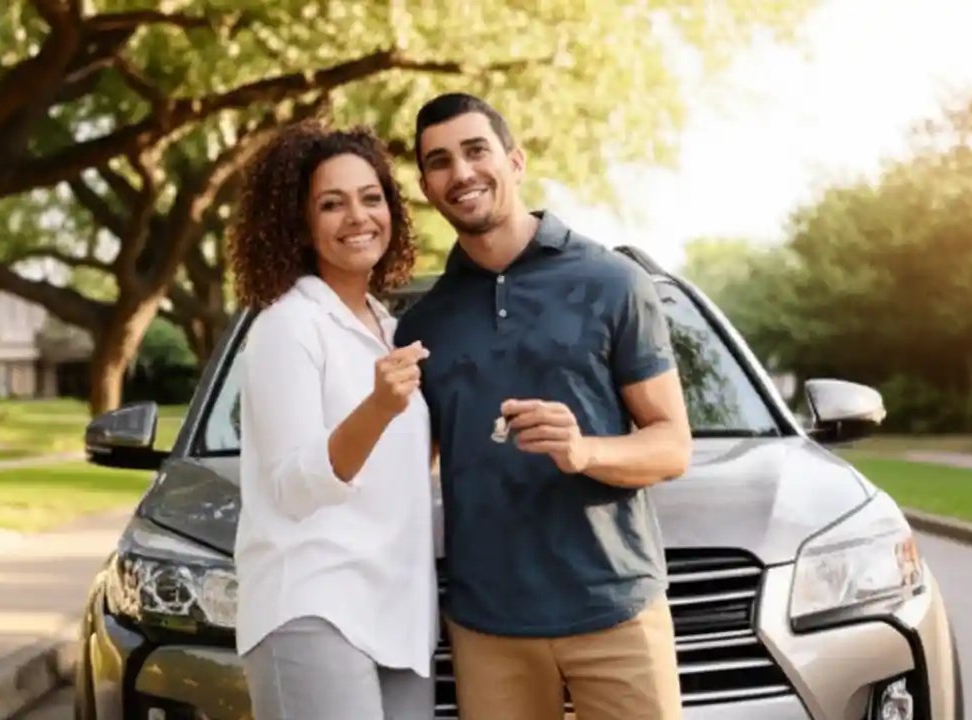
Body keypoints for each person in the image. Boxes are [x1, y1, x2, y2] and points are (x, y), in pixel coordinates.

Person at [394, 93, 694, 720]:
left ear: (515, 159)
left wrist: (583, 449)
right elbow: (398, 476)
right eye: (440, 162)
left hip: (615, 610)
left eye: (477, 151)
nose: (463, 173)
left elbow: (671, 444)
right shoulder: (424, 325)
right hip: (487, 627)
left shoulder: (613, 282)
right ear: (426, 186)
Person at [228, 119, 437, 720]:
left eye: (372, 198)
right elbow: (293, 486)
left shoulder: (388, 328)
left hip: (397, 611)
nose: (358, 217)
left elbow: (399, 468)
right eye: (331, 204)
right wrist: (376, 409)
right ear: (297, 222)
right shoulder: (287, 326)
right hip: (314, 603)